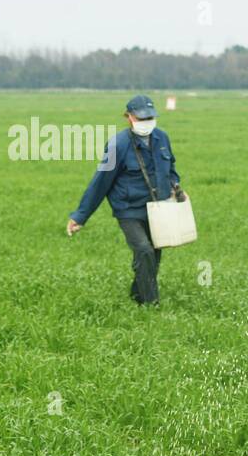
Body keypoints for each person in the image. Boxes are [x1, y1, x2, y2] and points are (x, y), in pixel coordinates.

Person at [66, 94, 184, 305]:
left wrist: (176, 187)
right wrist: (80, 216)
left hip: (157, 207)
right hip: (128, 209)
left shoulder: (162, 138)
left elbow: (171, 169)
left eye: (149, 118)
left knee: (154, 255)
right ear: (129, 117)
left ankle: (137, 294)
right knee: (144, 250)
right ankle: (151, 304)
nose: (146, 123)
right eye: (141, 118)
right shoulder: (117, 145)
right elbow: (100, 182)